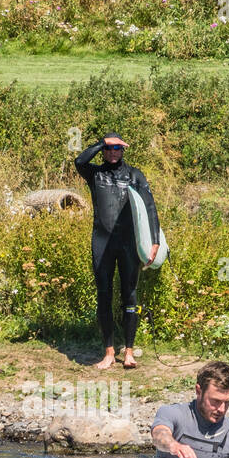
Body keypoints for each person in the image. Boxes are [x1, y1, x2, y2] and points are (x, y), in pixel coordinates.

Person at [74, 130, 159, 370]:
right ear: (103, 151)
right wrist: (101, 142)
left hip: (129, 244)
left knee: (130, 294)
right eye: (109, 149)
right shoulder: (95, 174)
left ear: (123, 150)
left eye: (117, 148)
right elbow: (79, 161)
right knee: (104, 295)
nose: (112, 152)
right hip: (102, 243)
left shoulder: (135, 175)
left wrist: (154, 242)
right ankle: (109, 351)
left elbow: (150, 209)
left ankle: (129, 351)